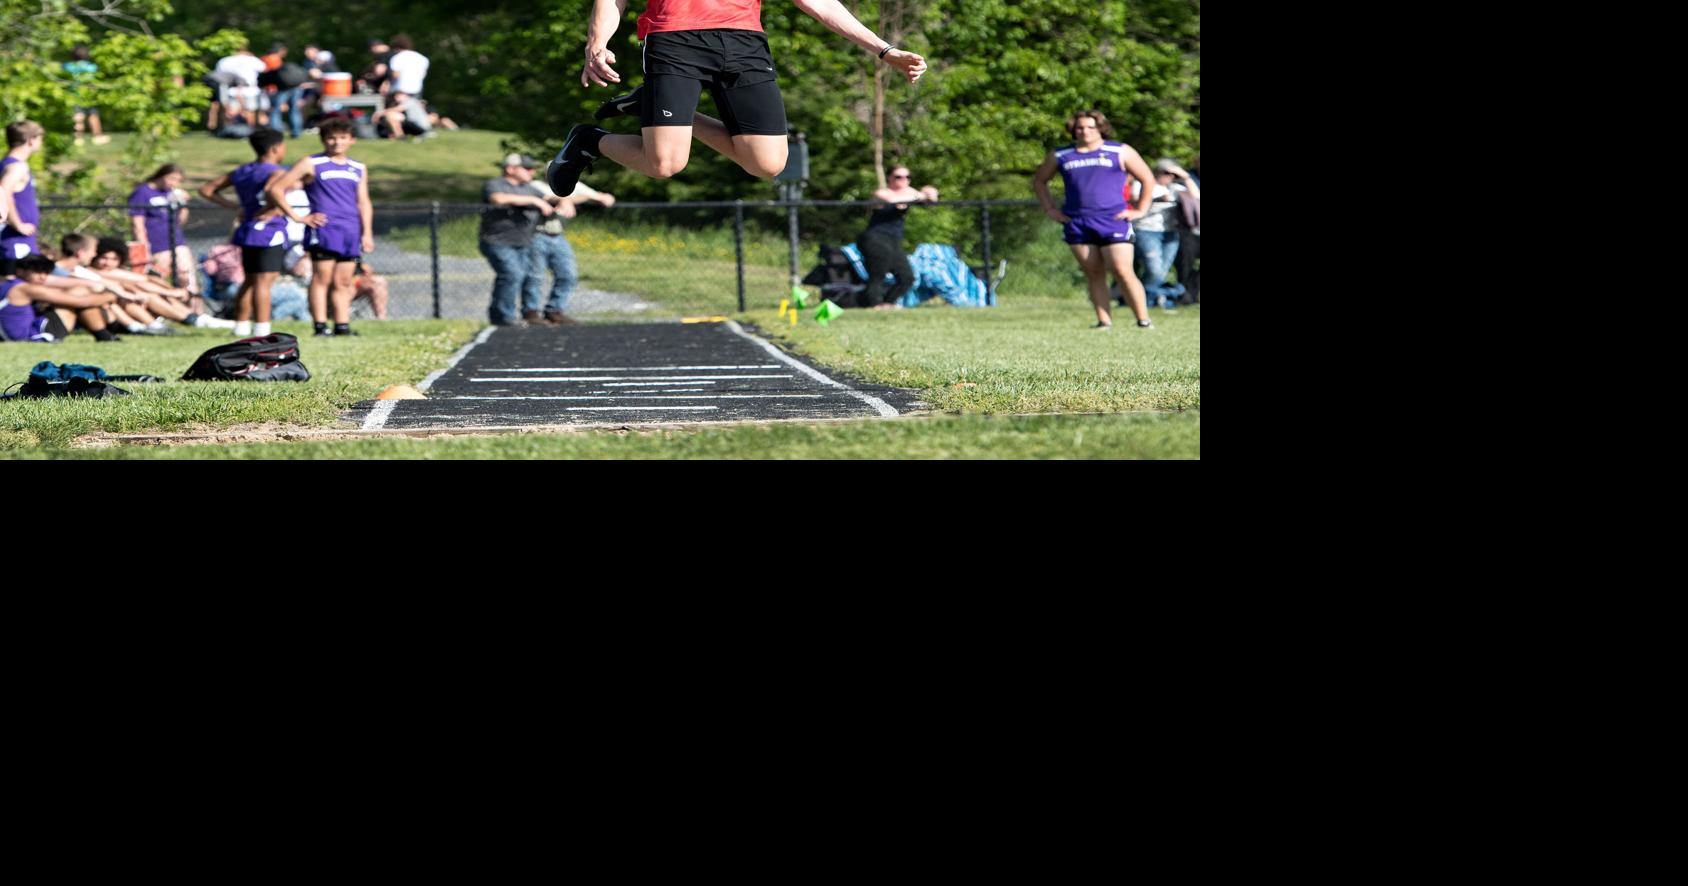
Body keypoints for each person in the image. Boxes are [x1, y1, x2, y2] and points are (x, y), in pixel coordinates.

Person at [548, 0, 928, 195]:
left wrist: (884, 50)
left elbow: (819, 3)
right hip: (674, 39)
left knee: (768, 164)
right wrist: (597, 44)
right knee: (664, 164)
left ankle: (656, 106)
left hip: (744, 42)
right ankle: (589, 140)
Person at [1031, 109, 1156, 330]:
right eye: (1080, 127)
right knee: (1093, 272)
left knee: (1122, 269)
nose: (1085, 131)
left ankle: (1143, 320)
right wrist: (1050, 209)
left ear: (1100, 128)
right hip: (1078, 222)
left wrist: (1140, 209)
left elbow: (1147, 178)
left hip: (1113, 219)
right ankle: (1103, 321)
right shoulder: (1061, 155)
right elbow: (1040, 181)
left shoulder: (1119, 151)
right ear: (1073, 130)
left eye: (1090, 127)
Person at [267, 117, 374, 337]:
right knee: (321, 278)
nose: (337, 143)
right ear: (324, 140)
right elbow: (276, 189)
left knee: (344, 280)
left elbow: (363, 201)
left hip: (350, 230)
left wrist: (367, 232)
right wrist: (298, 217)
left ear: (352, 140)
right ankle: (320, 326)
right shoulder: (311, 163)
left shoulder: (358, 168)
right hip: (324, 229)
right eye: (331, 138)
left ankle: (342, 326)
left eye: (343, 138)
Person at [199, 128, 291, 337]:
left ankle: (240, 325)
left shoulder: (242, 172)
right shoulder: (277, 171)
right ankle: (262, 328)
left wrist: (234, 206)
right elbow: (272, 190)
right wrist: (273, 208)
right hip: (269, 231)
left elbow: (206, 189)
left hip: (247, 230)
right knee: (264, 282)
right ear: (277, 148)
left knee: (249, 280)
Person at [479, 153, 557, 326]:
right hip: (497, 241)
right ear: (510, 169)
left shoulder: (529, 188)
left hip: (523, 242)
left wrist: (563, 201)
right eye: (527, 168)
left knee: (526, 276)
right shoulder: (496, 184)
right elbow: (498, 198)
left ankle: (523, 314)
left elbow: (550, 199)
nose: (532, 172)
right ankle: (502, 318)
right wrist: (533, 201)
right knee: (512, 274)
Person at [526, 179, 614, 325]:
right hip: (537, 234)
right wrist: (567, 200)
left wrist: (598, 197)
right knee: (535, 276)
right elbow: (549, 198)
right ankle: (531, 312)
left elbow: (600, 197)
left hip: (558, 235)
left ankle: (554, 311)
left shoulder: (569, 185)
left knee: (568, 275)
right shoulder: (536, 185)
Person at [855, 164, 937, 309]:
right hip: (875, 238)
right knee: (878, 274)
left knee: (906, 277)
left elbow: (929, 198)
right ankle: (874, 304)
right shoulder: (882, 193)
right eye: (898, 177)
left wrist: (930, 192)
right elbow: (894, 200)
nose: (903, 180)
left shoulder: (911, 194)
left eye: (907, 177)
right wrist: (919, 195)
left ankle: (888, 303)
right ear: (889, 178)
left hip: (894, 240)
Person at [1130, 157, 1200, 311]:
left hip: (1170, 233)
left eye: (1172, 175)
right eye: (1166, 173)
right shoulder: (1142, 184)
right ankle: (1168, 293)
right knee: (1154, 270)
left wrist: (1185, 177)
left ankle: (1148, 300)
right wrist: (1156, 198)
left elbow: (1196, 197)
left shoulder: (1175, 187)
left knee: (1162, 271)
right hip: (1147, 230)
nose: (1169, 177)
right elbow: (1134, 202)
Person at [2, 255, 119, 342]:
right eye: (37, 272)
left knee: (78, 291)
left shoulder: (9, 284)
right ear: (20, 271)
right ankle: (104, 335)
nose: (43, 277)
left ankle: (106, 334)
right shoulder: (25, 288)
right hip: (29, 335)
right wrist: (111, 296)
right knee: (80, 294)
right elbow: (82, 302)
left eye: (46, 272)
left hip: (18, 332)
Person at [127, 163, 201, 297]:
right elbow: (137, 223)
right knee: (159, 279)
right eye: (172, 178)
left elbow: (180, 222)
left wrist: (183, 205)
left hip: (176, 241)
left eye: (178, 180)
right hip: (156, 244)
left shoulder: (171, 193)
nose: (175, 183)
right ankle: (167, 312)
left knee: (188, 278)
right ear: (161, 175)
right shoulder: (142, 192)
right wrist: (144, 246)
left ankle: (197, 313)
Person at [1, 120, 45, 278]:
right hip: (15, 240)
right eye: (40, 138)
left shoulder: (6, 163)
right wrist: (17, 223)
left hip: (19, 239)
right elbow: (3, 192)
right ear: (31, 140)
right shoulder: (17, 167)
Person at [65, 47, 109, 146]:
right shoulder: (91, 67)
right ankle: (97, 136)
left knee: (78, 116)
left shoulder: (69, 66)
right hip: (88, 96)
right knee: (93, 115)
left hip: (74, 95)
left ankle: (78, 138)